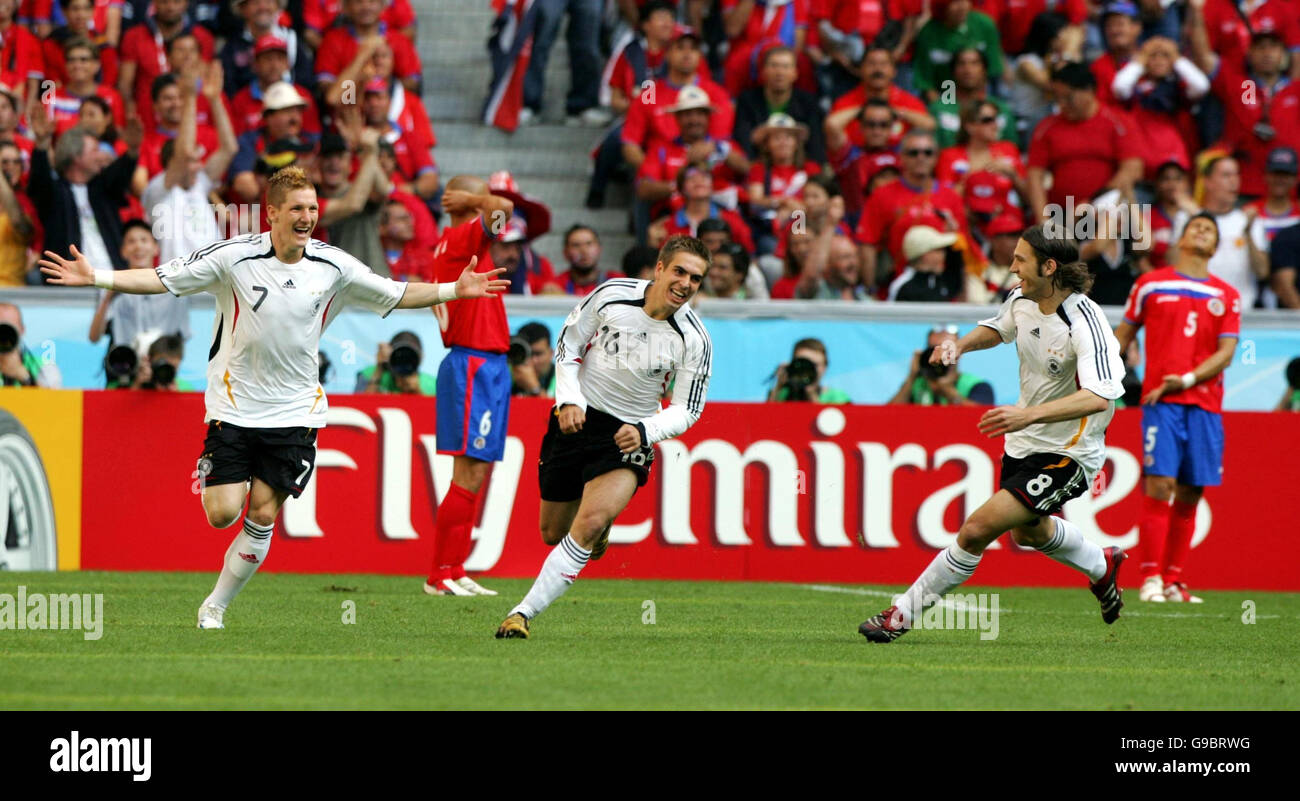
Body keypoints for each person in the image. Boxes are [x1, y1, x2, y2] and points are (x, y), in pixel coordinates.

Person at [37, 165, 509, 630]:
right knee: (223, 514)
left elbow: (395, 291)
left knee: (262, 513)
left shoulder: (333, 264)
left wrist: (453, 289)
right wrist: (97, 277)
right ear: (273, 214)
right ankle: (212, 473)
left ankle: (215, 606)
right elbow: (161, 277)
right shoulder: (233, 257)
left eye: (313, 208)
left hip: (295, 409)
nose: (307, 217)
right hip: (234, 405)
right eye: (297, 209)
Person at [859, 224, 1128, 642]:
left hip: (1070, 451)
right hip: (1025, 443)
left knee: (976, 529)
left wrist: (1028, 415)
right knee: (1029, 531)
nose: (1012, 266)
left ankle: (901, 614)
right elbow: (999, 327)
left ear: (1049, 266)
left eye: (1021, 259)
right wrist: (958, 346)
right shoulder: (1023, 298)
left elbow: (1100, 397)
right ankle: (1101, 564)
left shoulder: (1086, 323)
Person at [496, 236, 714, 639]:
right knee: (552, 532)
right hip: (577, 419)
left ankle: (520, 614)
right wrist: (568, 400)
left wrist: (646, 430)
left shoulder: (694, 340)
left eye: (696, 278)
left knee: (590, 521)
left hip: (628, 436)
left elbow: (689, 408)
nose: (685, 283)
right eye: (680, 271)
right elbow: (569, 344)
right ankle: (598, 530)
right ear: (660, 268)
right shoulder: (612, 295)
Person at [1114, 213, 1241, 604]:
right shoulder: (1151, 284)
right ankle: (1150, 578)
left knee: (1190, 491)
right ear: (1182, 240)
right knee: (1160, 484)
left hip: (1204, 405)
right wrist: (1097, 375)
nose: (1203, 232)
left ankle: (1174, 581)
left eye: (1211, 230)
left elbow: (1227, 353)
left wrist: (1186, 379)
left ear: (1215, 247)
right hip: (1161, 402)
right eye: (1196, 227)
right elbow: (1123, 336)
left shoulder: (1227, 295)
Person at [423, 175, 518, 598]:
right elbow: (503, 209)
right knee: (467, 473)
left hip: (486, 365)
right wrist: (478, 199)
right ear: (463, 201)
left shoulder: (459, 246)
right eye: (475, 197)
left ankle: (454, 568)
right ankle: (438, 574)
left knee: (474, 474)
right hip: (473, 363)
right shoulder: (463, 240)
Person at [89, 219, 191, 357]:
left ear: (156, 248)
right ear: (123, 251)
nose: (138, 246)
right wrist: (107, 298)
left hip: (161, 368)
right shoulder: (111, 284)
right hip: (125, 368)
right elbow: (94, 337)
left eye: (144, 240)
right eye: (131, 242)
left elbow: (181, 339)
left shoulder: (173, 287)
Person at [888, 325, 995, 406]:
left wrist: (947, 391)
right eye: (934, 348)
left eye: (948, 348)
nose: (940, 354)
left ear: (959, 353)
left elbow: (982, 416)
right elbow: (888, 416)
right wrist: (911, 376)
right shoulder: (917, 384)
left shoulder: (975, 385)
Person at [767, 338, 850, 403]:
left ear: (825, 367)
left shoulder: (837, 398)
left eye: (814, 365)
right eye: (802, 363)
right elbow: (767, 417)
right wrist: (778, 385)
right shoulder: (783, 395)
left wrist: (811, 393)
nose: (808, 369)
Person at [355, 331, 436, 395]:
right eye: (400, 355)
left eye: (409, 356)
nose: (404, 359)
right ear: (389, 354)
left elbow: (432, 413)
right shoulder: (368, 374)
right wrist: (378, 371)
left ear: (421, 357)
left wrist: (416, 391)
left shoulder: (433, 385)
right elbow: (358, 409)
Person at [0, 302, 61, 387]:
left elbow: (51, 400)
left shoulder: (44, 368)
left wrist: (25, 378)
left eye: (9, 328)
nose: (4, 335)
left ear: (22, 330)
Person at [552, 224, 625, 296]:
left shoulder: (617, 283)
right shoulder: (556, 286)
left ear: (599, 249)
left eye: (589, 244)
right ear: (565, 253)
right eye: (576, 245)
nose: (584, 251)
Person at [509, 321, 555, 398]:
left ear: (551, 353)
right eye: (526, 354)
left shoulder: (564, 378)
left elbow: (561, 410)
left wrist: (535, 389)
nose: (532, 361)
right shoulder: (506, 374)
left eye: (538, 354)